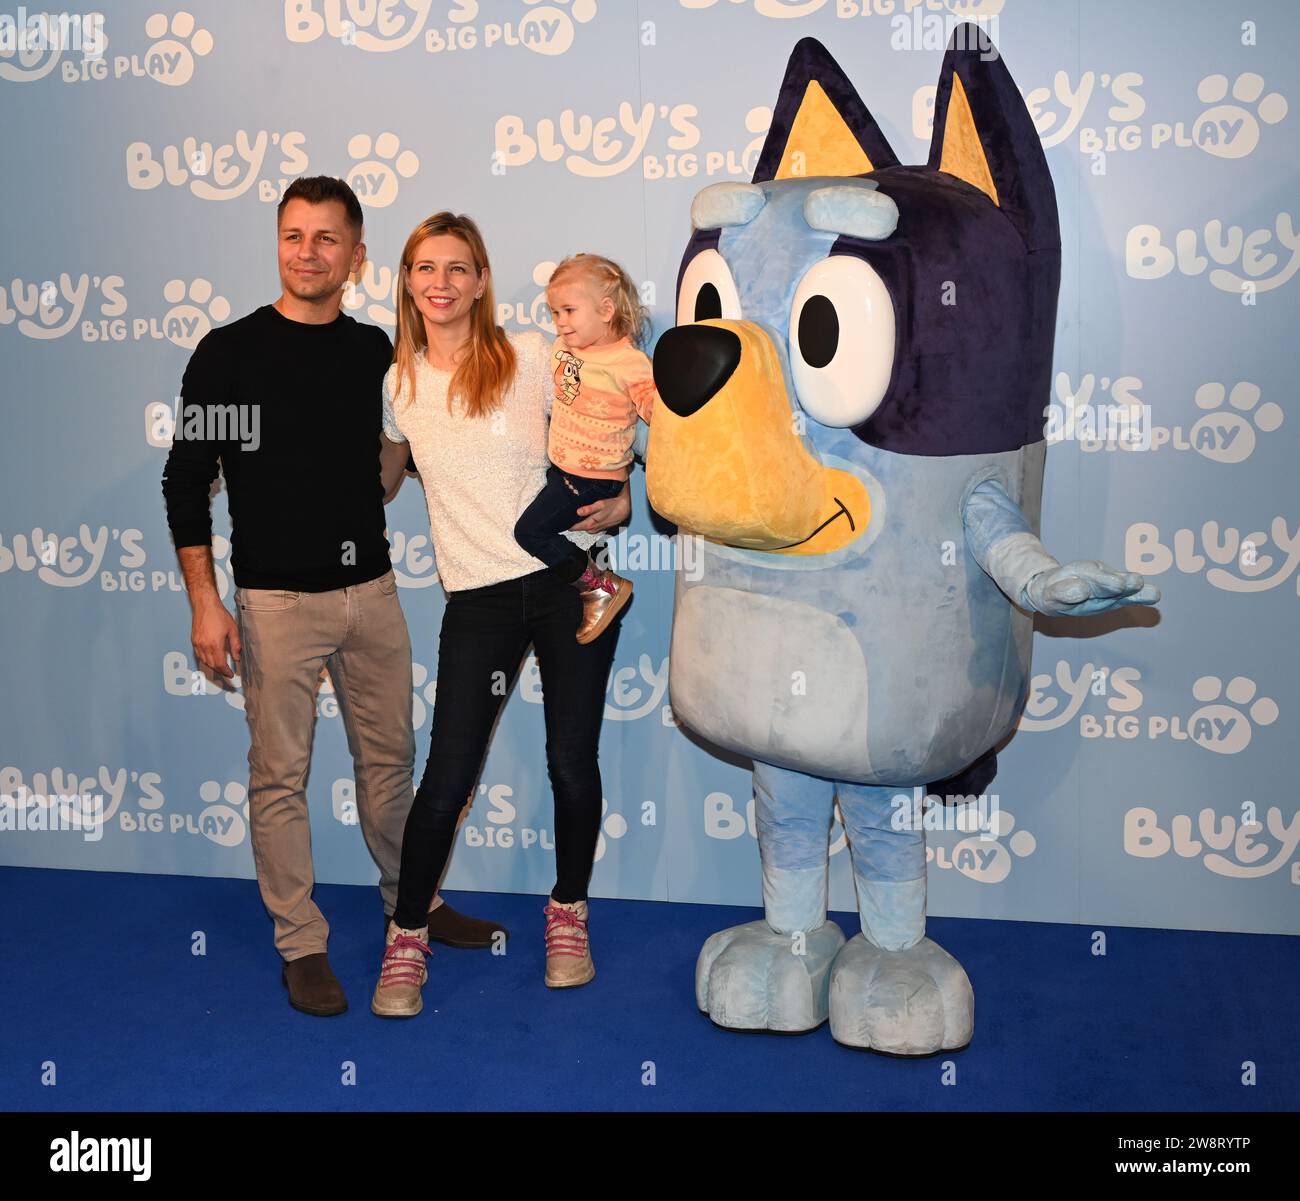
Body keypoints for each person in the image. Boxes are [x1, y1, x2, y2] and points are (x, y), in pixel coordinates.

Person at [161, 177, 501, 1019]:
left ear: (355, 256)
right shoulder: (229, 353)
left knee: (392, 767)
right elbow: (185, 482)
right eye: (292, 236)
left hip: (373, 595)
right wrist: (208, 604)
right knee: (280, 776)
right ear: (278, 245)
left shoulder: (376, 355)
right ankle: (300, 944)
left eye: (325, 239)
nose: (306, 252)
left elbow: (413, 461)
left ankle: (408, 904)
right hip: (275, 605)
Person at [372, 213, 630, 1018]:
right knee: (446, 779)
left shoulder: (534, 354)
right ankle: (406, 932)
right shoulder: (397, 382)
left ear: (482, 279)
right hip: (478, 600)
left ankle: (568, 914)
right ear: (407, 281)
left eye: (457, 267)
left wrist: (622, 497)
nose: (440, 282)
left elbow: (612, 412)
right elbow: (381, 477)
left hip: (570, 585)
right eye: (424, 268)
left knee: (569, 762)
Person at [513, 253, 657, 643]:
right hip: (564, 470)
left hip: (595, 481)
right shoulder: (563, 347)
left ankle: (600, 587)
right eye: (555, 311)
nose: (560, 322)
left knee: (530, 532)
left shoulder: (629, 363)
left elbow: (656, 412)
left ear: (606, 310)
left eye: (570, 310)